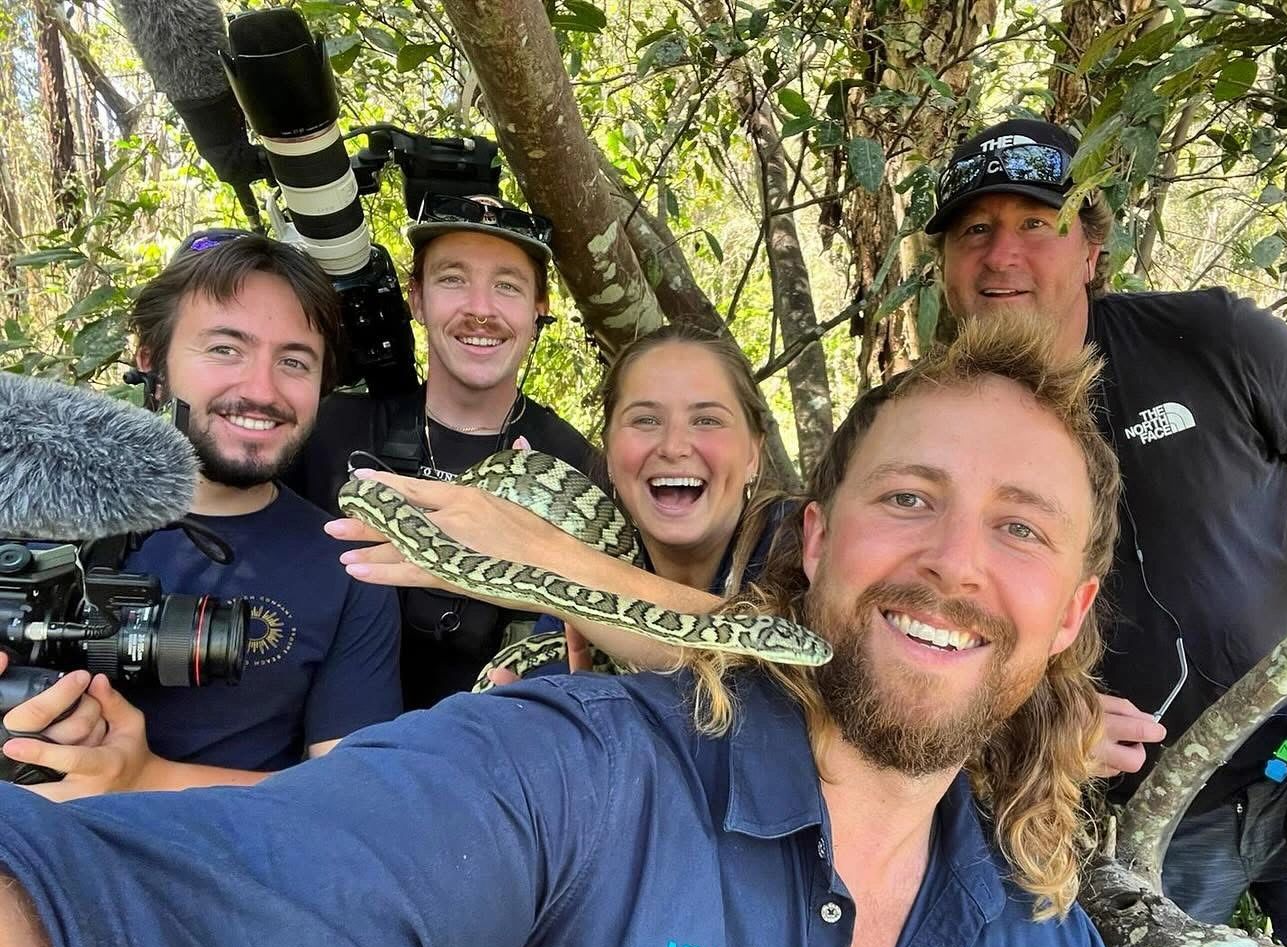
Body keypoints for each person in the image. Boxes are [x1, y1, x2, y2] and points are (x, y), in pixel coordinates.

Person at [0, 316, 1134, 947]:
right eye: (910, 497)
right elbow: (199, 928)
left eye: (1021, 525)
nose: (956, 561)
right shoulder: (569, 773)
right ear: (819, 540)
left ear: (1074, 611)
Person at [924, 118, 1287, 947]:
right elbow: (918, 634)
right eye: (974, 229)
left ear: (1091, 247)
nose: (1002, 253)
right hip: (1148, 813)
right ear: (945, 263)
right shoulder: (932, 429)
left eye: (1035, 223)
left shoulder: (1211, 337)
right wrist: (1033, 717)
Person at [0, 232, 403, 796]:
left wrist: (146, 777)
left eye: (294, 360)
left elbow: (355, 802)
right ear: (152, 361)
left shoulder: (353, 564)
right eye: (224, 349)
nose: (261, 389)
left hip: (227, 870)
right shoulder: (30, 514)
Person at [288, 193, 596, 709]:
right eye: (453, 279)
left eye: (508, 285)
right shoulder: (327, 432)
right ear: (416, 298)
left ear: (539, 307)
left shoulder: (580, 467)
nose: (481, 309)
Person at [492, 324, 789, 681]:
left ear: (753, 453)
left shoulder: (810, 555)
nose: (673, 446)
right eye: (645, 420)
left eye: (707, 420)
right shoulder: (576, 580)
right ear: (610, 454)